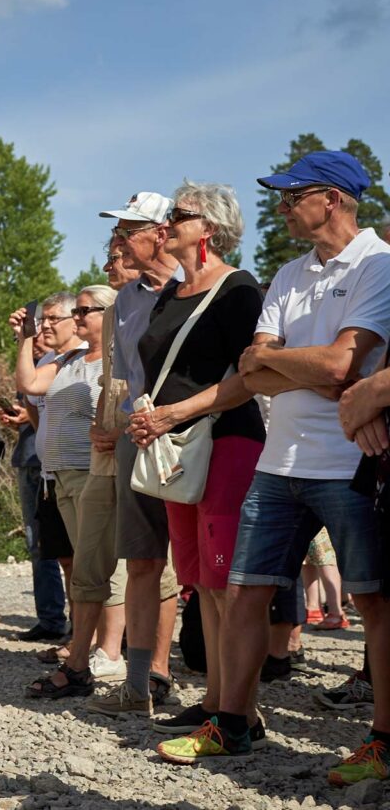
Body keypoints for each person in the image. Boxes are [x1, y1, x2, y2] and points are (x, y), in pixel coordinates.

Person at [158, 151, 390, 788]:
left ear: (332, 199)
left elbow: (342, 367)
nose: (283, 208)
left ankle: (383, 742)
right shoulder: (288, 274)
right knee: (245, 592)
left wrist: (292, 366)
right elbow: (252, 365)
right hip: (279, 460)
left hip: (351, 459)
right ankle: (232, 722)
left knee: (372, 599)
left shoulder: (377, 264)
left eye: (293, 197)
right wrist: (316, 371)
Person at [105, 182, 265, 725]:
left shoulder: (239, 289)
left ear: (210, 230)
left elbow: (249, 377)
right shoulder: (169, 296)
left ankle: (236, 708)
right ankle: (215, 701)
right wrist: (147, 414)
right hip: (173, 449)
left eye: (181, 214)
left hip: (223, 440)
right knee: (199, 582)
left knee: (225, 582)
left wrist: (172, 414)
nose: (168, 221)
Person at [96, 192, 184, 714]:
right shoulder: (126, 300)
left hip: (187, 436)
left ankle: (209, 689)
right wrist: (116, 422)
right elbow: (123, 376)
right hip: (136, 437)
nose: (120, 239)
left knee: (196, 568)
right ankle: (139, 684)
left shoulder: (196, 290)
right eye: (119, 229)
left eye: (130, 229)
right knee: (142, 558)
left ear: (162, 232)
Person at [16, 286, 122, 698]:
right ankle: (89, 646)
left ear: (108, 314)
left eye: (84, 311)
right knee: (80, 567)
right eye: (74, 312)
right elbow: (29, 384)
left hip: (93, 469)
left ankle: (108, 652)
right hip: (60, 473)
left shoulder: (115, 359)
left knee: (101, 565)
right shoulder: (68, 360)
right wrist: (26, 337)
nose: (77, 318)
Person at [0, 323, 68, 643]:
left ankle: (72, 623)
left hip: (58, 465)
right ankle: (52, 618)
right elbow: (29, 402)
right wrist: (22, 418)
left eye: (32, 334)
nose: (31, 340)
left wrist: (31, 415)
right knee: (38, 543)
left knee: (67, 546)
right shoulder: (33, 368)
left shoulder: (65, 363)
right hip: (29, 462)